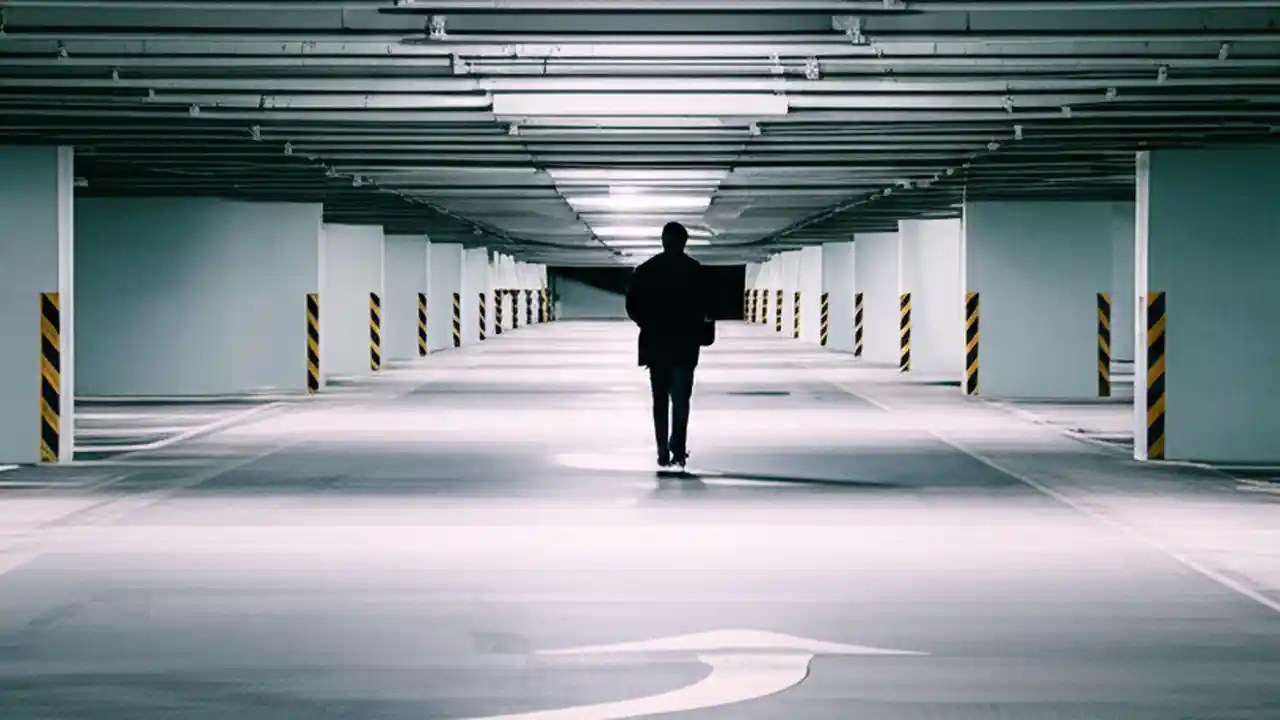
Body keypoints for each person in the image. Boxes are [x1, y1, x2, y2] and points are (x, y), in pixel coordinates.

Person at [625, 222, 710, 470]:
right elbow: (708, 306)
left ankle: (662, 448)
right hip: (685, 346)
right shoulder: (695, 271)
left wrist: (648, 324)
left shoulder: (646, 270)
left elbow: (632, 307)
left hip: (656, 345)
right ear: (684, 242)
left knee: (659, 399)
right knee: (681, 399)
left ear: (663, 241)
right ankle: (678, 449)